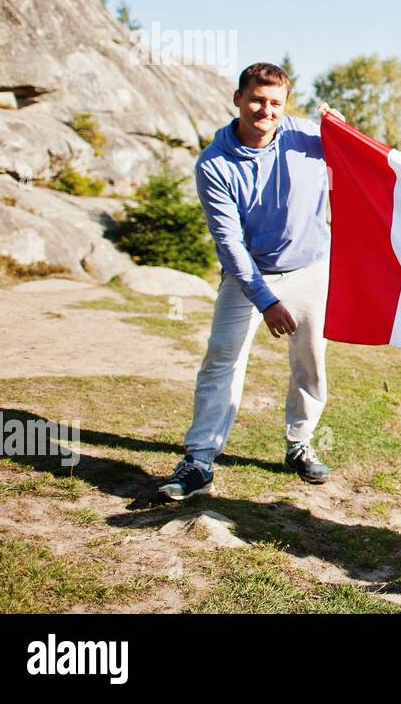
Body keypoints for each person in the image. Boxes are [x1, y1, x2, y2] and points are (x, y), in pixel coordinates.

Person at [157, 62, 342, 500]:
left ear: (285, 105)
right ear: (238, 99)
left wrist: (341, 130)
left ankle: (299, 443)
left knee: (310, 359)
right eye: (257, 99)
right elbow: (229, 244)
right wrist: (265, 299)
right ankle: (200, 460)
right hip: (249, 275)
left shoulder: (307, 137)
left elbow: (358, 160)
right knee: (222, 359)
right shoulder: (214, 163)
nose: (266, 109)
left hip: (311, 268)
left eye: (275, 102)